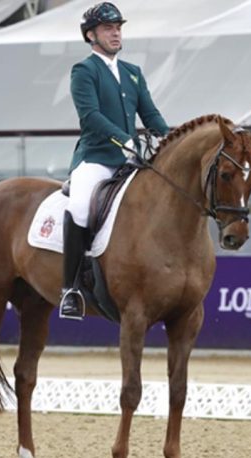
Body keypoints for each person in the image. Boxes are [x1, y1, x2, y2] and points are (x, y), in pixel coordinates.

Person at [60, 2, 170, 320]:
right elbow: (90, 116)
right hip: (96, 157)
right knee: (80, 207)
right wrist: (122, 139)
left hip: (130, 160)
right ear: (91, 35)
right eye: (109, 28)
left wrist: (168, 138)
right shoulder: (84, 71)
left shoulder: (132, 73)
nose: (116, 33)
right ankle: (70, 289)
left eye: (118, 28)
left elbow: (149, 114)